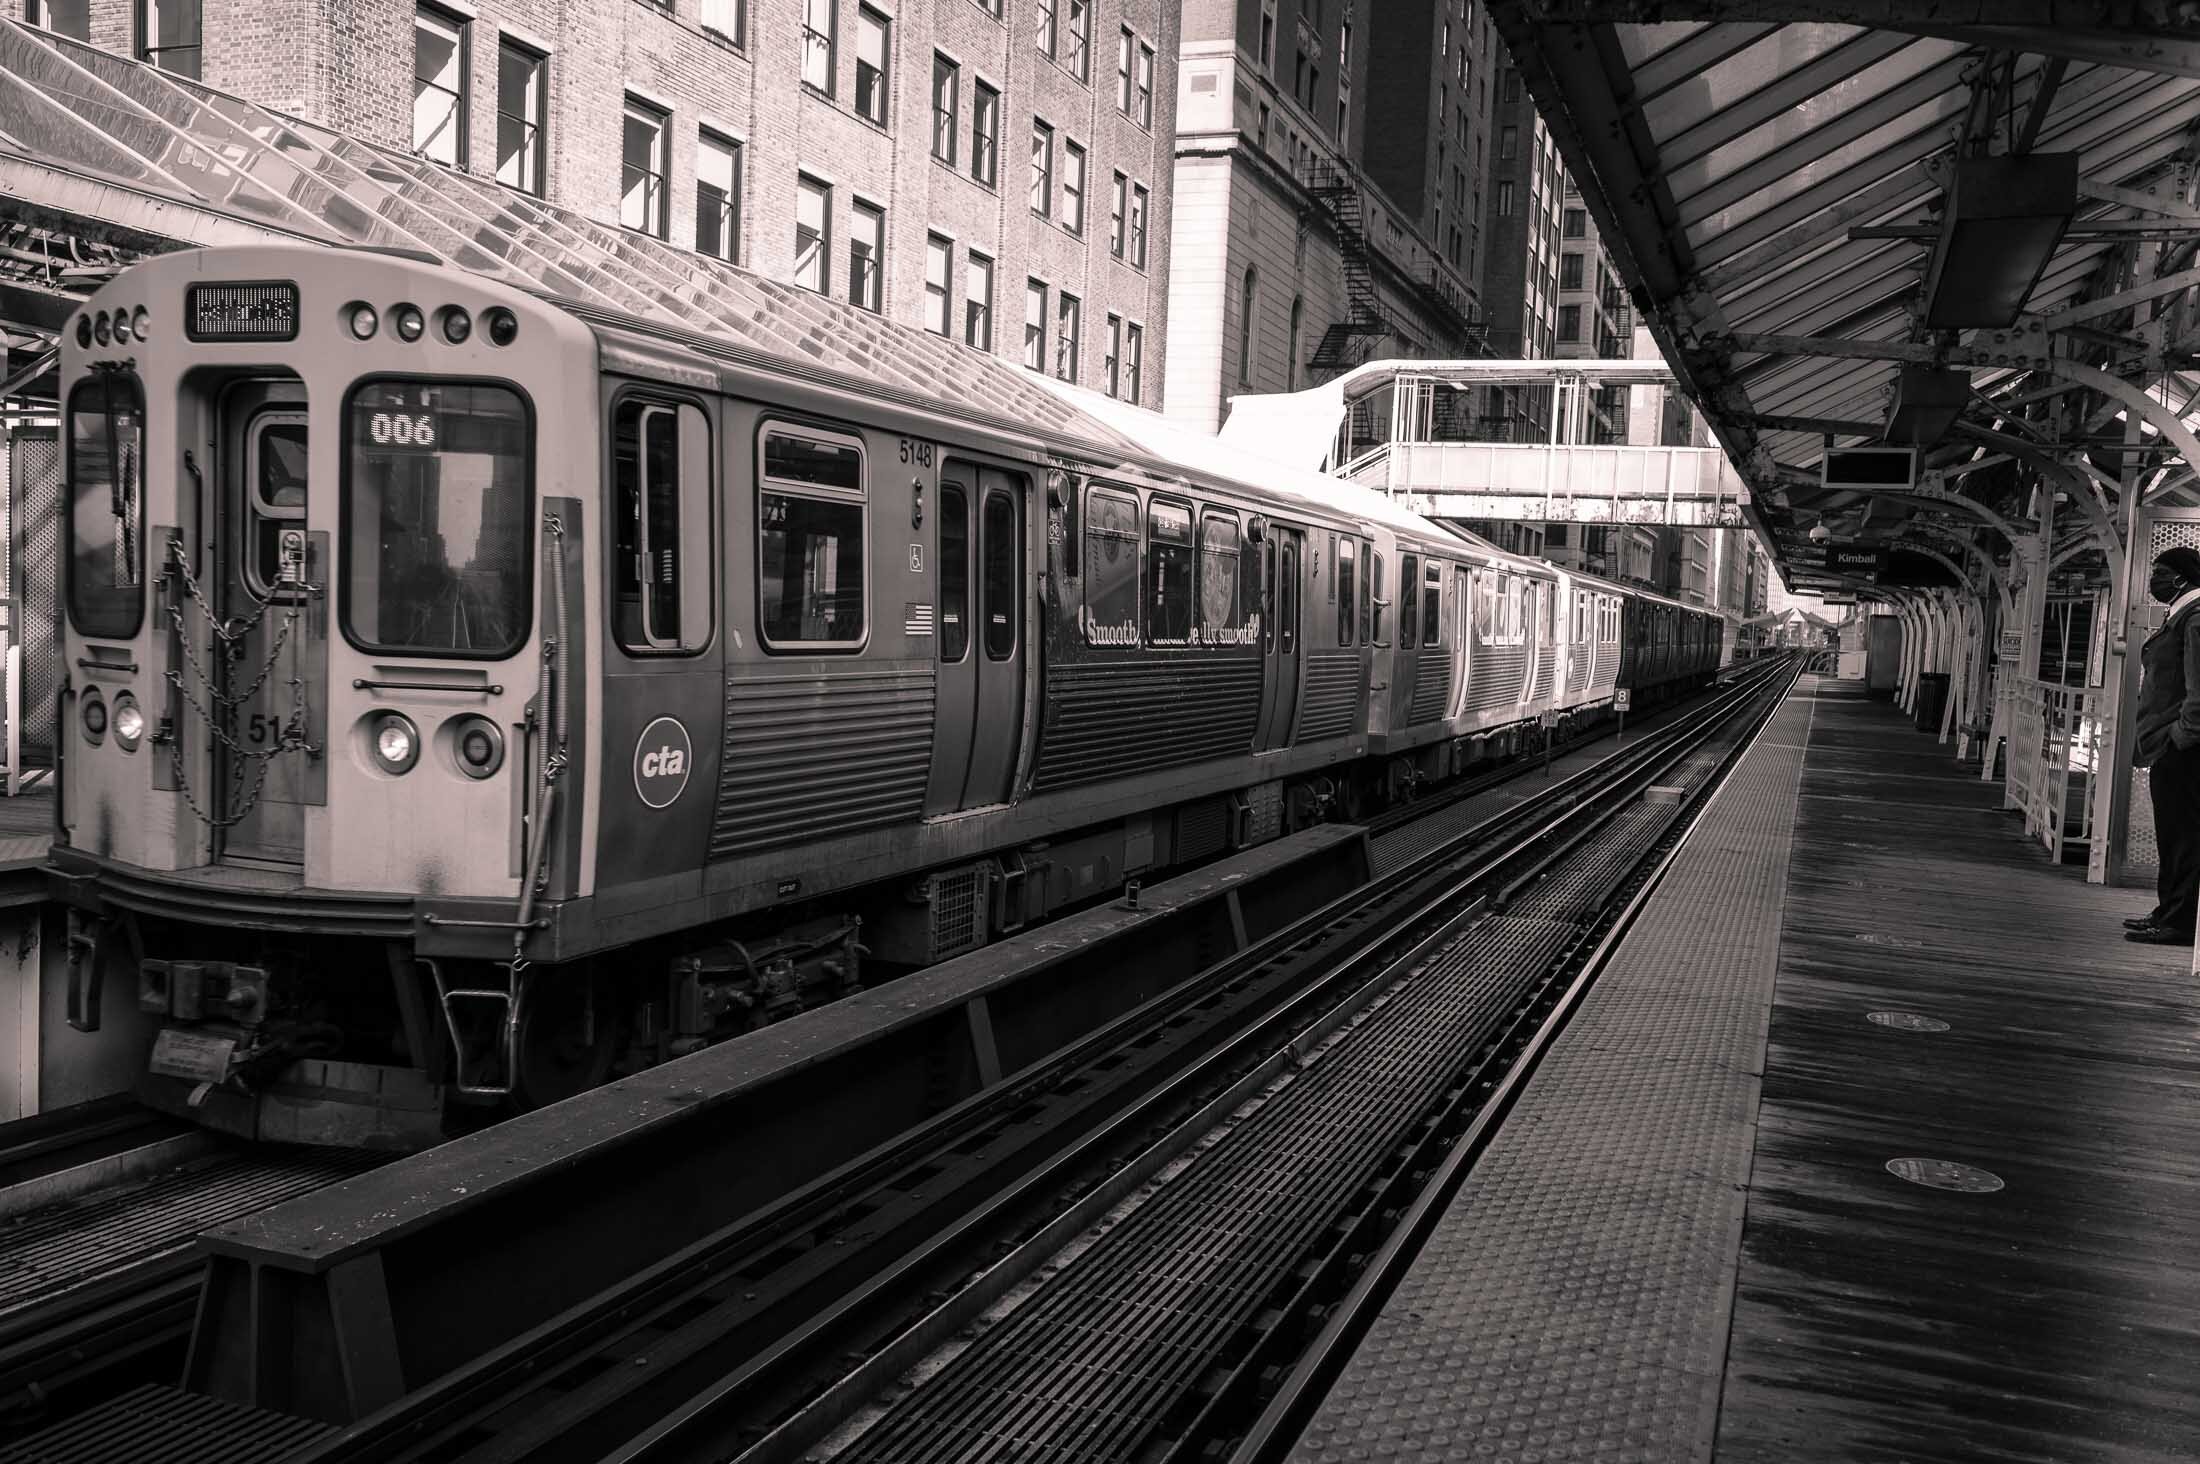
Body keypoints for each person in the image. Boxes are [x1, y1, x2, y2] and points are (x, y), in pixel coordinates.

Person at [2127, 545, 2200, 944]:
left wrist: (2180, 737)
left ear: (2181, 577)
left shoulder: (2195, 619)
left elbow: (2198, 690)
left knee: (2184, 836)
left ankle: (2178, 922)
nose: (2154, 579)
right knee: (2171, 834)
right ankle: (2166, 911)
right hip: (2171, 744)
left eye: (2159, 572)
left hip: (2184, 750)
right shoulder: (2181, 615)